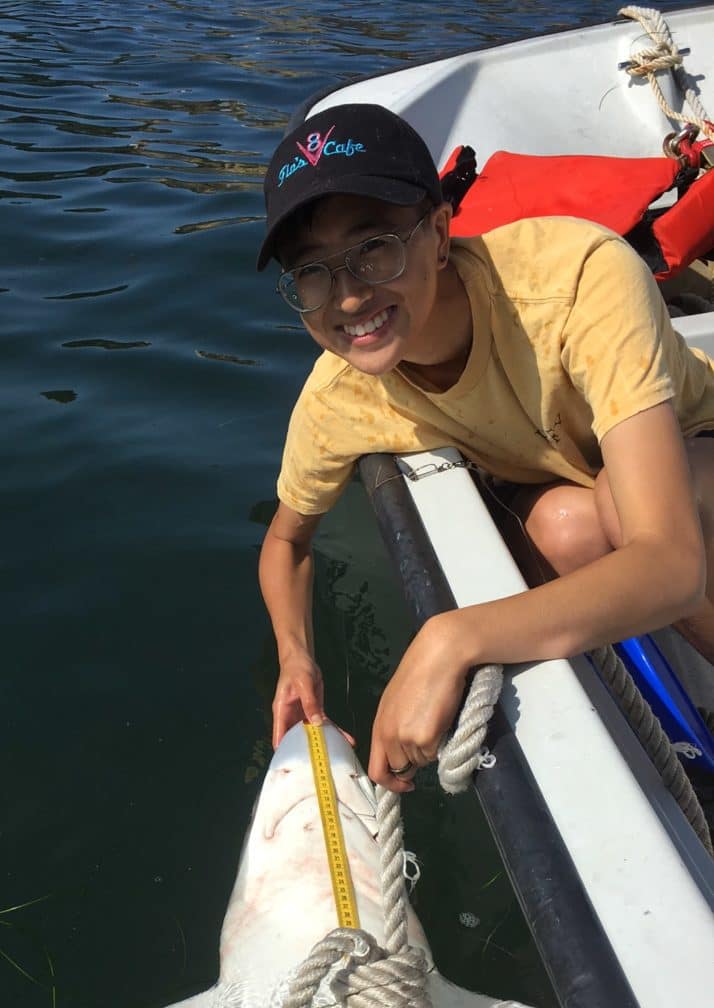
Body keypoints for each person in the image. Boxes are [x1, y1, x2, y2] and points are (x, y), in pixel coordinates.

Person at [256, 102, 714, 792]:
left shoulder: (577, 279)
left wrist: (453, 637)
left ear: (440, 234)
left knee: (621, 511)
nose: (348, 298)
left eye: (374, 247)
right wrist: (296, 658)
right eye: (313, 272)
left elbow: (673, 565)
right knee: (567, 527)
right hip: (589, 500)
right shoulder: (340, 397)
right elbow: (286, 542)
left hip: (693, 445)